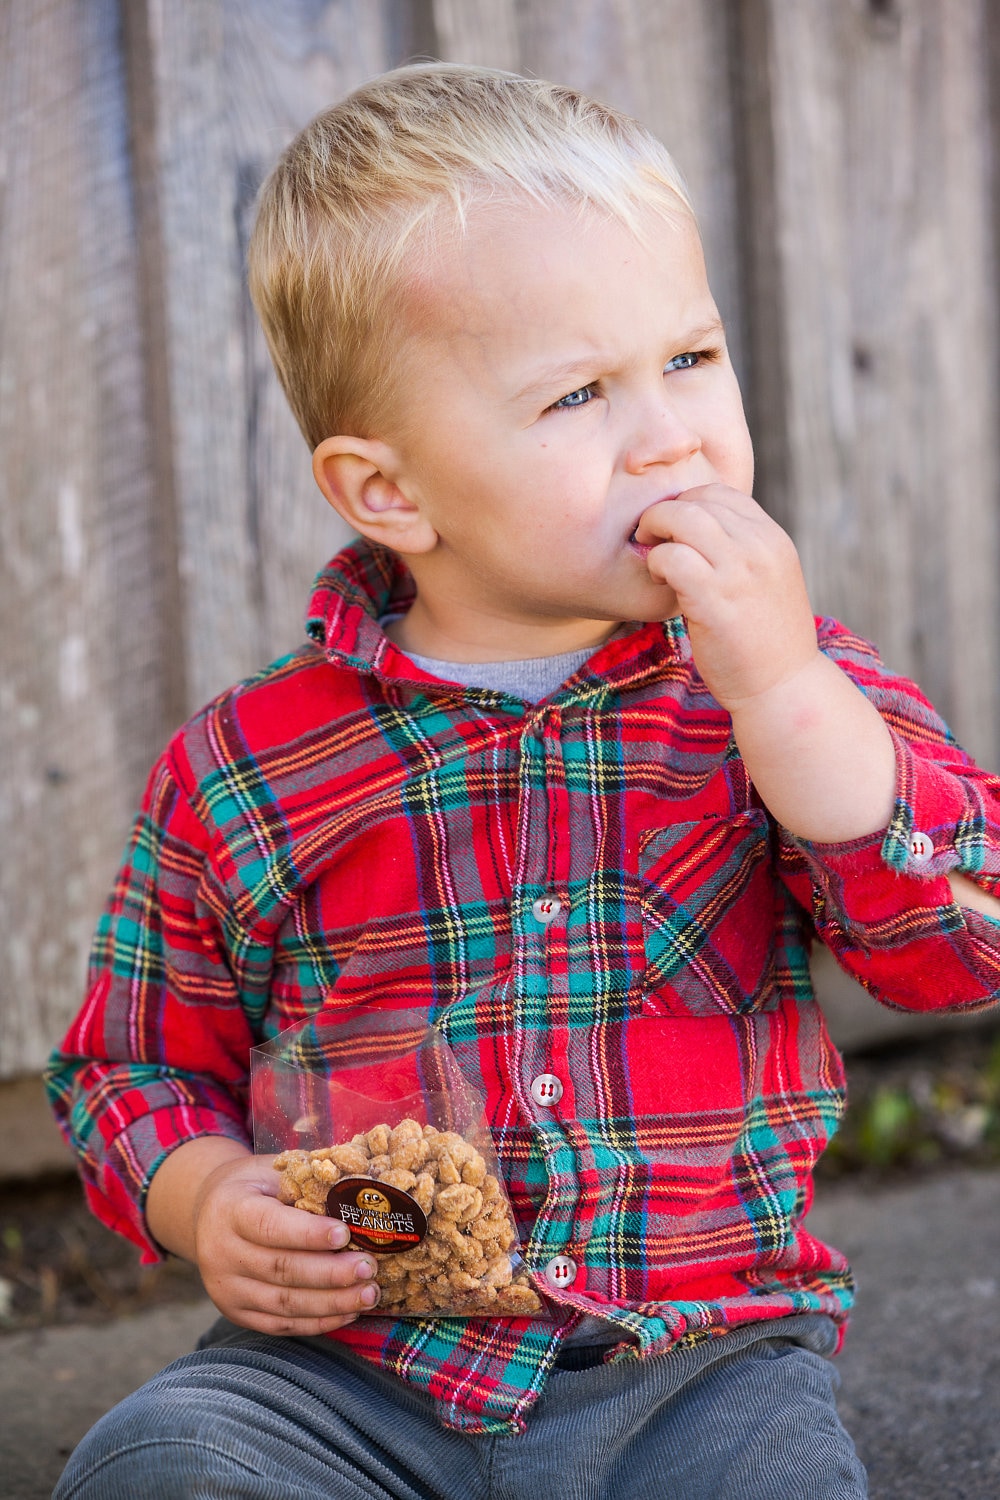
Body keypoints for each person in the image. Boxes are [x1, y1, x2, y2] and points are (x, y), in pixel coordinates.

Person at [47, 62, 1000, 1500]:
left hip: (700, 1365)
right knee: (159, 1461)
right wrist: (208, 1196)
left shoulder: (792, 688)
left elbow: (956, 946)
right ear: (389, 491)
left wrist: (791, 702)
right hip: (348, 1374)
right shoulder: (249, 766)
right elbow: (132, 1063)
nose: (673, 433)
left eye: (692, 357)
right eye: (579, 392)